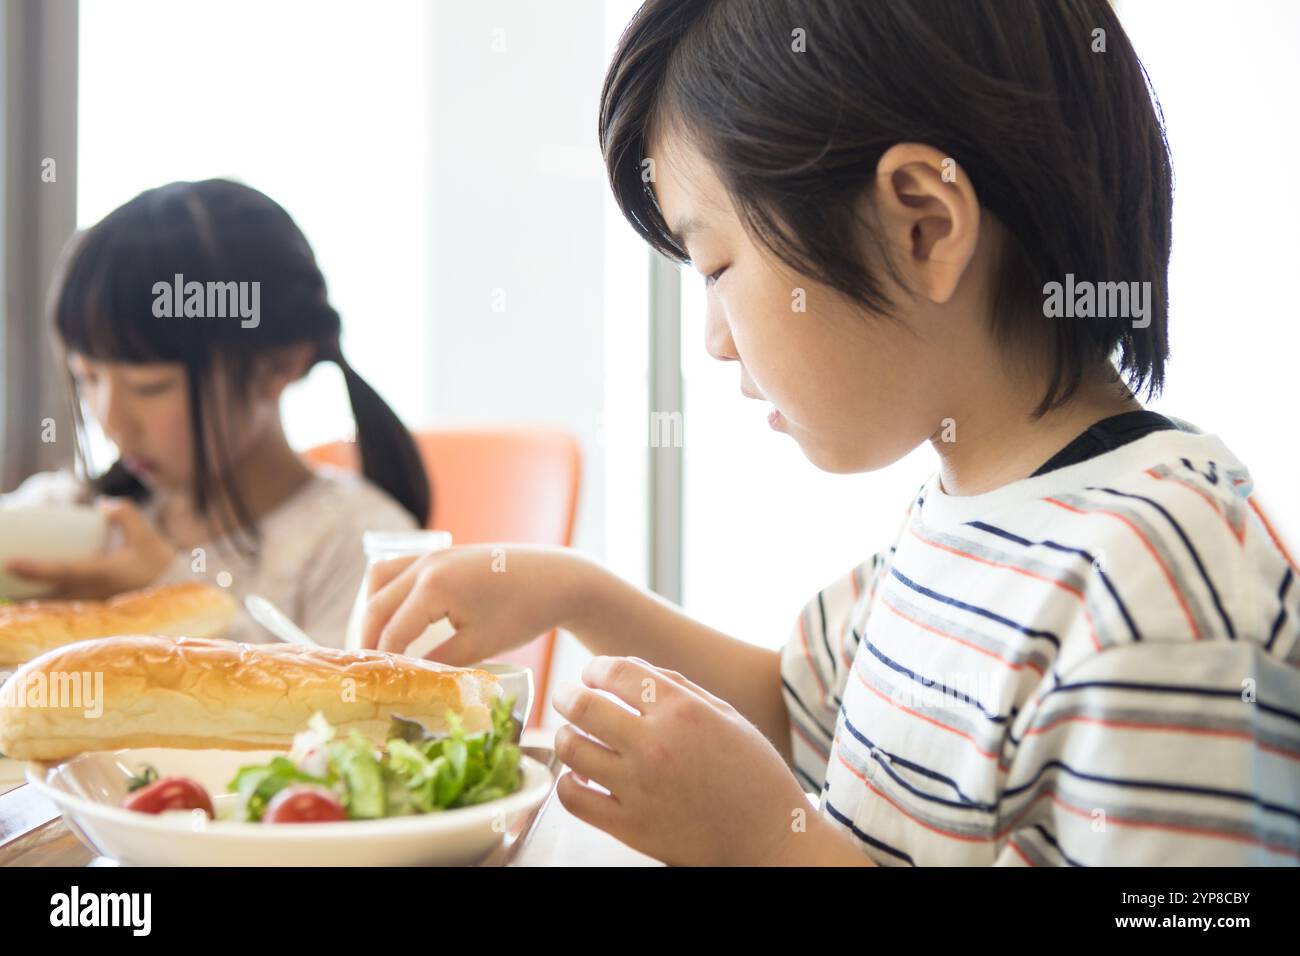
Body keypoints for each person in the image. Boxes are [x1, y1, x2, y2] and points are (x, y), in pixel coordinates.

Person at [361, 0, 1299, 864]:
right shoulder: (966, 508)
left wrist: (776, 844)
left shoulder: (1163, 583)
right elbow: (796, 707)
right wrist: (574, 591)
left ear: (923, 227)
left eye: (718, 264)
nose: (715, 341)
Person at [2, 180, 428, 647]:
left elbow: (350, 704)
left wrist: (161, 596)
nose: (112, 421)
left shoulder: (355, 545)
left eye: (151, 387)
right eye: (88, 379)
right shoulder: (69, 519)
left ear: (279, 365)